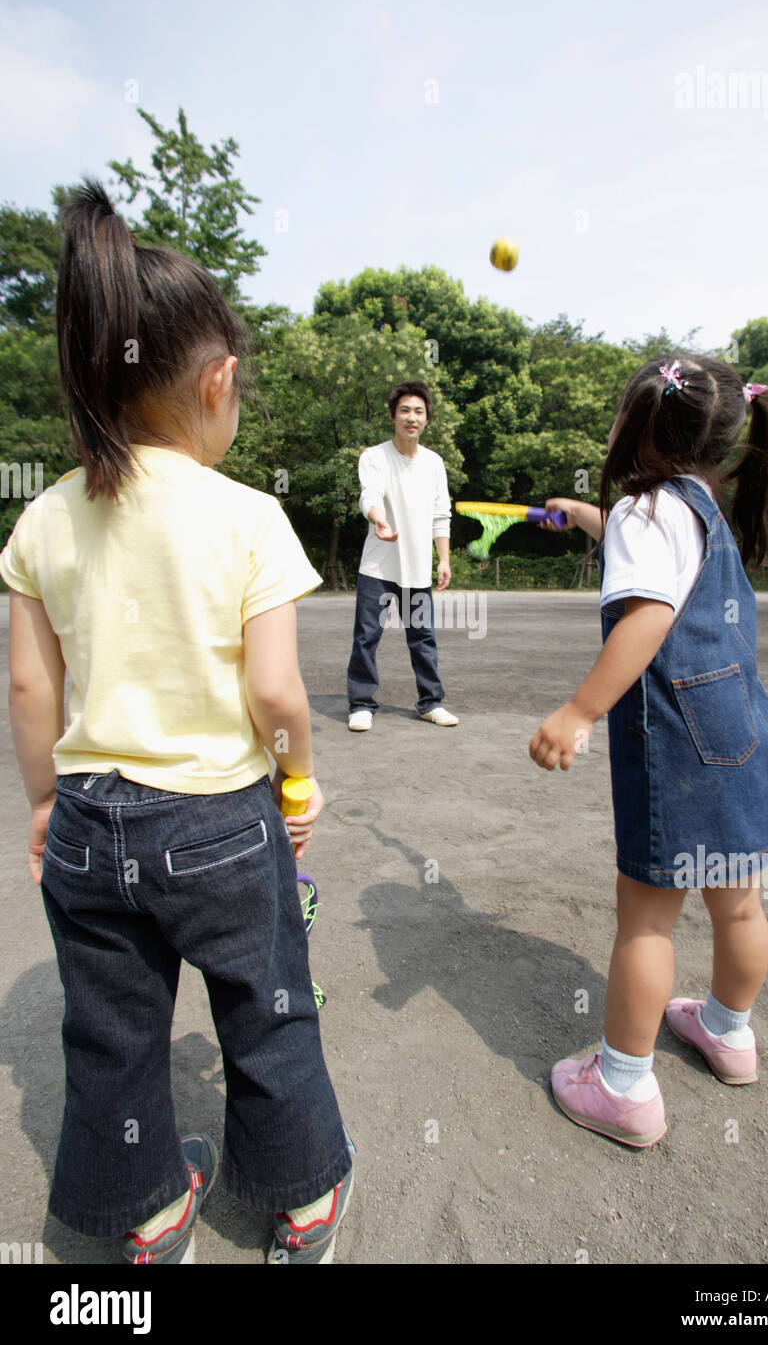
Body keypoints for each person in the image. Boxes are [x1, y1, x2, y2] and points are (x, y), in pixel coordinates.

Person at [0, 179, 353, 1263]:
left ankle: (147, 1214)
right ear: (217, 382)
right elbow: (279, 697)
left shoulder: (46, 516)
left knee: (108, 1038)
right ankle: (298, 1204)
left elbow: (28, 689)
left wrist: (49, 803)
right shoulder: (246, 515)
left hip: (91, 826)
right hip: (219, 823)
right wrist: (297, 782)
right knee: (269, 1008)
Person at [530, 356, 768, 1147]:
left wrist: (580, 711)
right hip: (737, 729)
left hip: (677, 746)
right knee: (739, 901)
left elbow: (647, 619)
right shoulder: (699, 508)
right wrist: (588, 514)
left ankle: (622, 1085)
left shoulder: (644, 515)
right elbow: (659, 559)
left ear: (635, 426)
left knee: (646, 923)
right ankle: (729, 1031)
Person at [346, 380, 458, 729]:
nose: (412, 417)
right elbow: (371, 496)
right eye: (405, 410)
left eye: (419, 411)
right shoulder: (374, 457)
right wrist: (379, 520)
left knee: (423, 639)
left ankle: (430, 702)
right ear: (393, 415)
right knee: (367, 636)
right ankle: (361, 704)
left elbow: (442, 514)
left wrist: (444, 560)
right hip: (378, 565)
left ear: (426, 419)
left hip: (418, 567)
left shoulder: (434, 463)